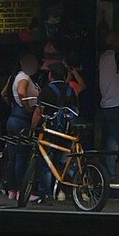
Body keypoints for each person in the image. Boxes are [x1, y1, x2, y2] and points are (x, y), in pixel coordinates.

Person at [31, 60, 78, 204]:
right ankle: (67, 192)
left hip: (50, 131)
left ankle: (45, 195)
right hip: (67, 131)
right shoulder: (70, 90)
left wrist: (32, 128)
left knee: (46, 163)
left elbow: (38, 112)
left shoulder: (47, 90)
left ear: (51, 75)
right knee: (64, 161)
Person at [3, 53, 40, 203]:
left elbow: (4, 93)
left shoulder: (14, 77)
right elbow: (21, 92)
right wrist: (27, 107)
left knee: (13, 156)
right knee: (21, 157)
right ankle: (21, 191)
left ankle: (12, 189)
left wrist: (13, 105)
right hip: (22, 119)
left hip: (13, 117)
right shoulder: (24, 77)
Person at [98, 32, 119, 188]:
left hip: (105, 103)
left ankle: (103, 172)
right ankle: (111, 174)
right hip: (117, 103)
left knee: (106, 139)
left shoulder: (102, 57)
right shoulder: (118, 56)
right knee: (113, 140)